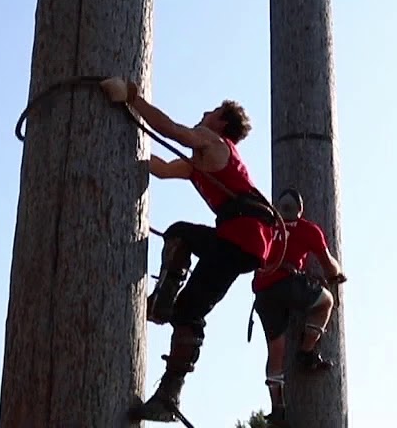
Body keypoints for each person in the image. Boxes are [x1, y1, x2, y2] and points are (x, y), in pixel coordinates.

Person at [100, 77, 277, 423]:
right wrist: (119, 146)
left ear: (223, 122)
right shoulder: (203, 160)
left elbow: (170, 130)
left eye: (212, 111)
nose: (205, 112)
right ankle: (169, 394)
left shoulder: (213, 142)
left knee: (180, 234)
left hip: (239, 238)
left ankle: (163, 302)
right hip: (246, 245)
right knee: (190, 311)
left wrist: (132, 97)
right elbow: (164, 169)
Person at [251, 189, 346, 427]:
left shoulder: (267, 226)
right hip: (288, 283)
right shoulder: (307, 229)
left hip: (263, 292)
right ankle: (306, 352)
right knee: (326, 301)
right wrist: (338, 274)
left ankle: (278, 409)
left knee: (276, 351)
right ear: (300, 210)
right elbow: (329, 267)